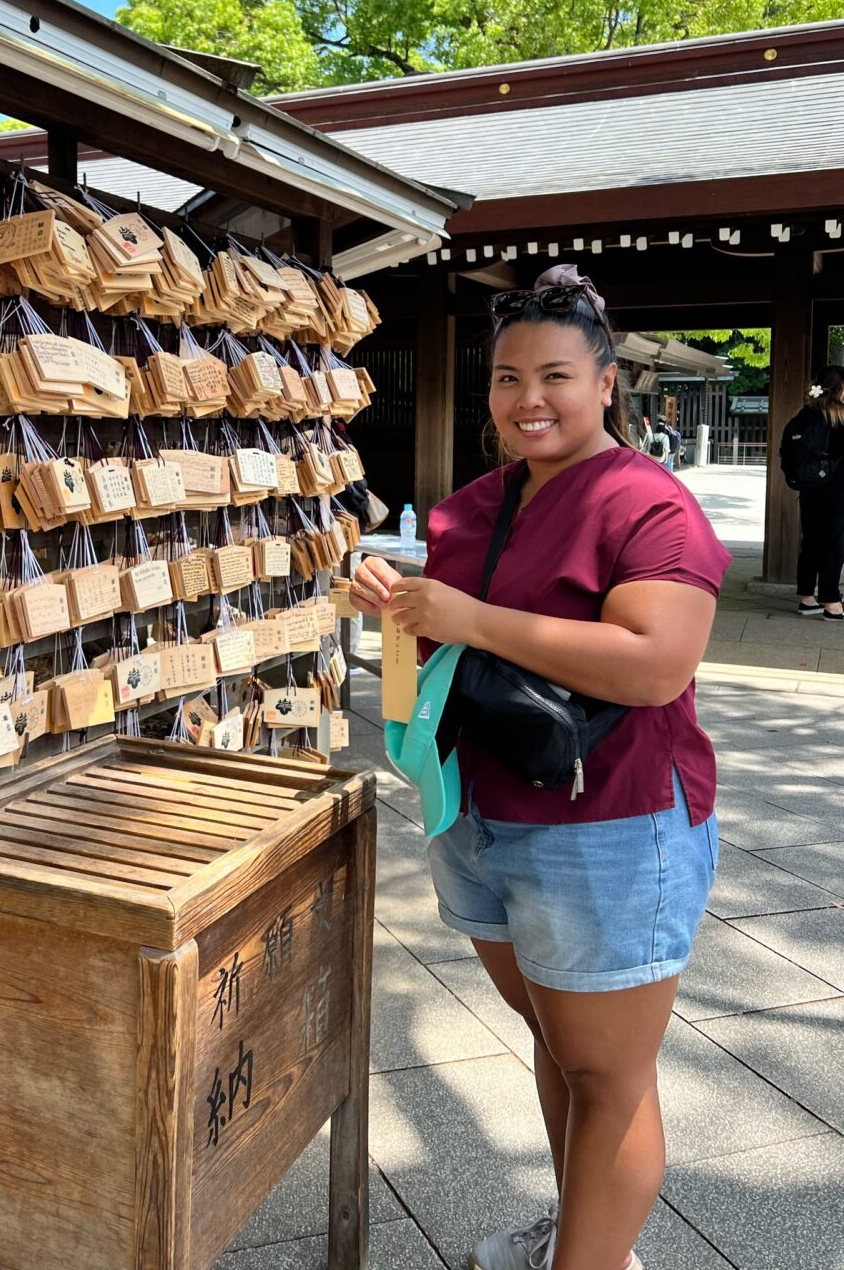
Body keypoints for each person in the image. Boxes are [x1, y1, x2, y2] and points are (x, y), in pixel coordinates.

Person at [350, 264, 729, 1270]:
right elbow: (463, 648)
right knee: (567, 1047)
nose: (527, 401)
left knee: (610, 1076)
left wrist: (468, 616)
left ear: (607, 382)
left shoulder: (649, 506)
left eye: (555, 376)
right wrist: (400, 606)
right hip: (483, 811)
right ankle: (581, 1238)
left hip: (610, 821)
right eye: (507, 378)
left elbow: (656, 665)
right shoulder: (476, 507)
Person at [779, 366, 844, 619]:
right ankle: (831, 602)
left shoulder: (804, 415)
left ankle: (807, 598)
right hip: (836, 491)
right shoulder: (838, 418)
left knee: (812, 542)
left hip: (808, 488)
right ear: (838, 388)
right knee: (835, 544)